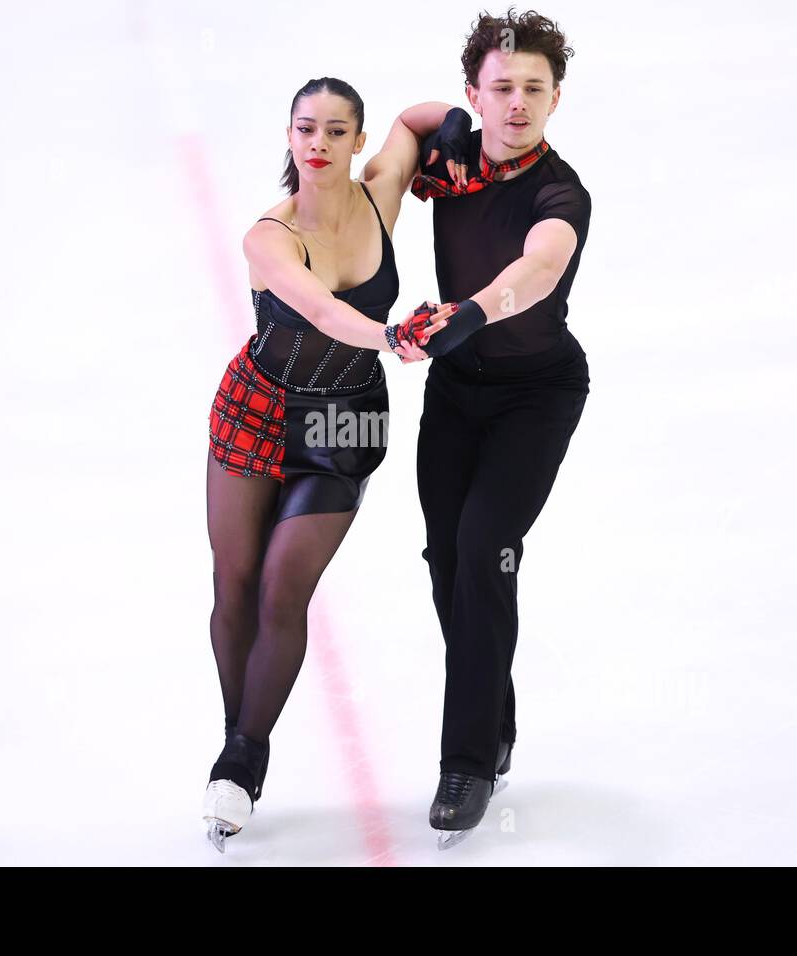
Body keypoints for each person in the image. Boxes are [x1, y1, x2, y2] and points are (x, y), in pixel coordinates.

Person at [202, 76, 450, 851]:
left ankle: (242, 757)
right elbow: (319, 310)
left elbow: (422, 116)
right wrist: (394, 336)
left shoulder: (383, 192)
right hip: (256, 409)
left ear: (356, 140)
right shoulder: (268, 237)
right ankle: (242, 719)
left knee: (283, 587)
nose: (318, 144)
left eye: (336, 131)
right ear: (289, 137)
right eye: (305, 129)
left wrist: (463, 138)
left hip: (344, 417)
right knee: (234, 584)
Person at [397, 8, 594, 848]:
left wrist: (473, 311)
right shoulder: (450, 148)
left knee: (484, 550)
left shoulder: (560, 189)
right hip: (455, 391)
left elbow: (540, 266)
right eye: (502, 87)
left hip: (536, 394)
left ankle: (469, 760)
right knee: (451, 565)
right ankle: (497, 720)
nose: (517, 103)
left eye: (534, 89)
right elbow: (410, 121)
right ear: (474, 93)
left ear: (557, 98)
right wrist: (384, 181)